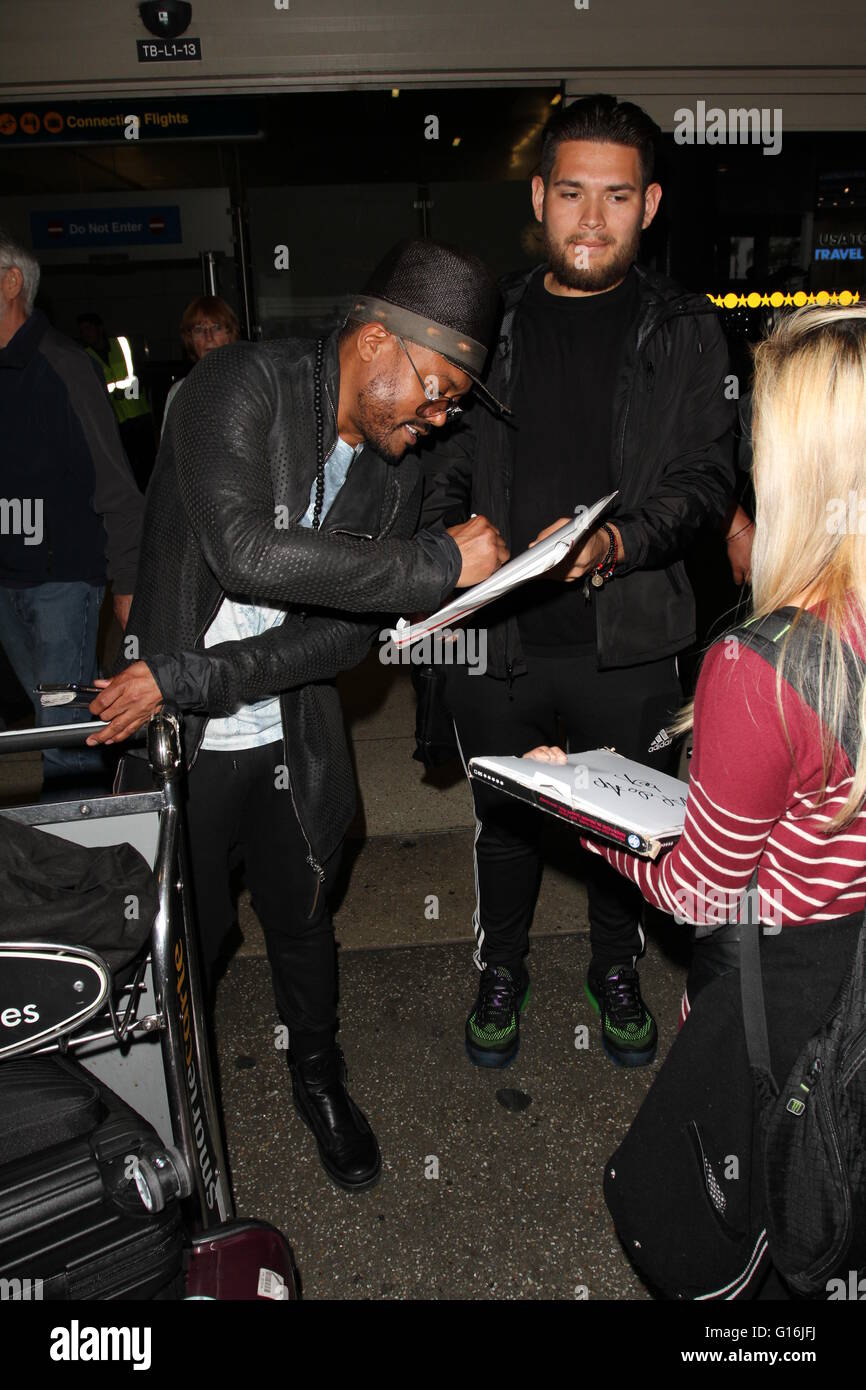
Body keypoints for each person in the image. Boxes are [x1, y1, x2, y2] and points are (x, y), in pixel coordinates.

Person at [84, 240, 509, 1192]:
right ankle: (162, 1104)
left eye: (451, 403)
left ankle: (318, 1079)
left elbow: (338, 643)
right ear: (372, 344)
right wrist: (433, 566)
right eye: (434, 390)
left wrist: (188, 673)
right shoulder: (237, 387)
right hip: (181, 746)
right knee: (178, 939)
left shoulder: (395, 471)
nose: (437, 419)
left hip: (286, 734)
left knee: (305, 919)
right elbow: (245, 554)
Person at [525, 304, 866, 1297]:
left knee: (765, 1218)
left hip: (788, 997)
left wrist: (577, 806)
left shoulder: (759, 665)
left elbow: (695, 893)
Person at [420, 94, 735, 1070]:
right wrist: (445, 525)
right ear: (537, 197)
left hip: (630, 634)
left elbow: (704, 477)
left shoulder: (686, 329)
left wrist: (618, 543)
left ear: (647, 206)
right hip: (498, 638)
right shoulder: (486, 322)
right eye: (569, 193)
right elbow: (436, 454)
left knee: (625, 823)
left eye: (612, 196)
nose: (589, 219)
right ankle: (501, 967)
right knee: (504, 826)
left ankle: (614, 969)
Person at [0, 229, 143, 797]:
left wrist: (128, 581)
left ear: (13, 283)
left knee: (61, 731)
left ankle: (78, 866)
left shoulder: (63, 365)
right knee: (45, 718)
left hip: (63, 581)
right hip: (7, 578)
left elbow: (116, 483)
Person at [77, 311, 156, 491]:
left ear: (100, 329)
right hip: (115, 423)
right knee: (126, 468)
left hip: (139, 415)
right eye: (82, 330)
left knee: (148, 466)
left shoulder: (122, 345)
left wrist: (127, 392)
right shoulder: (85, 357)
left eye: (88, 328)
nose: (85, 333)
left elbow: (139, 374)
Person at [161, 295, 240, 436]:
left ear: (229, 333)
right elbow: (168, 451)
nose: (208, 337)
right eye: (199, 330)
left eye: (216, 328)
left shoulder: (250, 384)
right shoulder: (180, 392)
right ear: (190, 339)